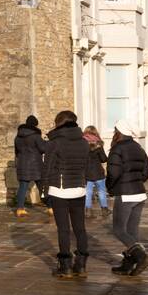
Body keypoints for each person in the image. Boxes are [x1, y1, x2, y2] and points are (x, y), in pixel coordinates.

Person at [43, 110, 91, 277]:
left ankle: (66, 266)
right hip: (79, 189)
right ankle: (82, 265)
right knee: (80, 229)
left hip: (59, 190)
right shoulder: (84, 142)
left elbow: (47, 169)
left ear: (58, 123)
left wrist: (44, 193)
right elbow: (87, 166)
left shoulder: (54, 143)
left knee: (63, 229)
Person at [108, 118, 148, 276]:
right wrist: (137, 182)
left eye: (115, 130)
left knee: (119, 230)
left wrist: (110, 188)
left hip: (126, 195)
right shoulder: (138, 147)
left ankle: (142, 257)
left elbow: (113, 173)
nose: (113, 132)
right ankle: (127, 265)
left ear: (119, 132)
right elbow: (147, 171)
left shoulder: (117, 149)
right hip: (140, 193)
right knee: (132, 232)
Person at [13, 115, 47, 218]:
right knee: (42, 186)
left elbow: (16, 152)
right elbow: (43, 149)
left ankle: (20, 209)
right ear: (35, 125)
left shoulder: (17, 137)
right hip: (35, 164)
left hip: (22, 163)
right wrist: (46, 142)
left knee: (23, 187)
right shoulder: (36, 136)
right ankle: (50, 207)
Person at [82, 125, 109, 217]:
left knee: (88, 192)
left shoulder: (82, 144)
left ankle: (88, 211)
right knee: (101, 191)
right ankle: (104, 209)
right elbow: (104, 159)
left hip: (86, 173)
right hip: (98, 173)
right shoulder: (98, 145)